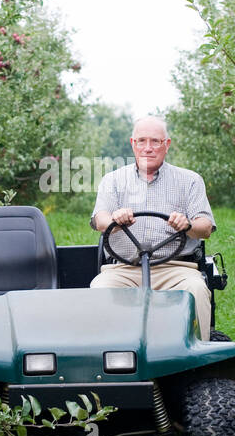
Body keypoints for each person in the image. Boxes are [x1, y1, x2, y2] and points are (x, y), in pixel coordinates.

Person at [89, 115, 217, 341]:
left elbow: (205, 227)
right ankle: (111, 360)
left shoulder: (190, 180)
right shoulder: (113, 180)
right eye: (142, 141)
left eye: (155, 141)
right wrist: (115, 222)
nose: (148, 148)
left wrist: (187, 225)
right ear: (133, 144)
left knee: (196, 288)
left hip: (175, 269)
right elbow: (100, 221)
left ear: (166, 145)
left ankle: (198, 359)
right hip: (124, 269)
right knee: (99, 289)